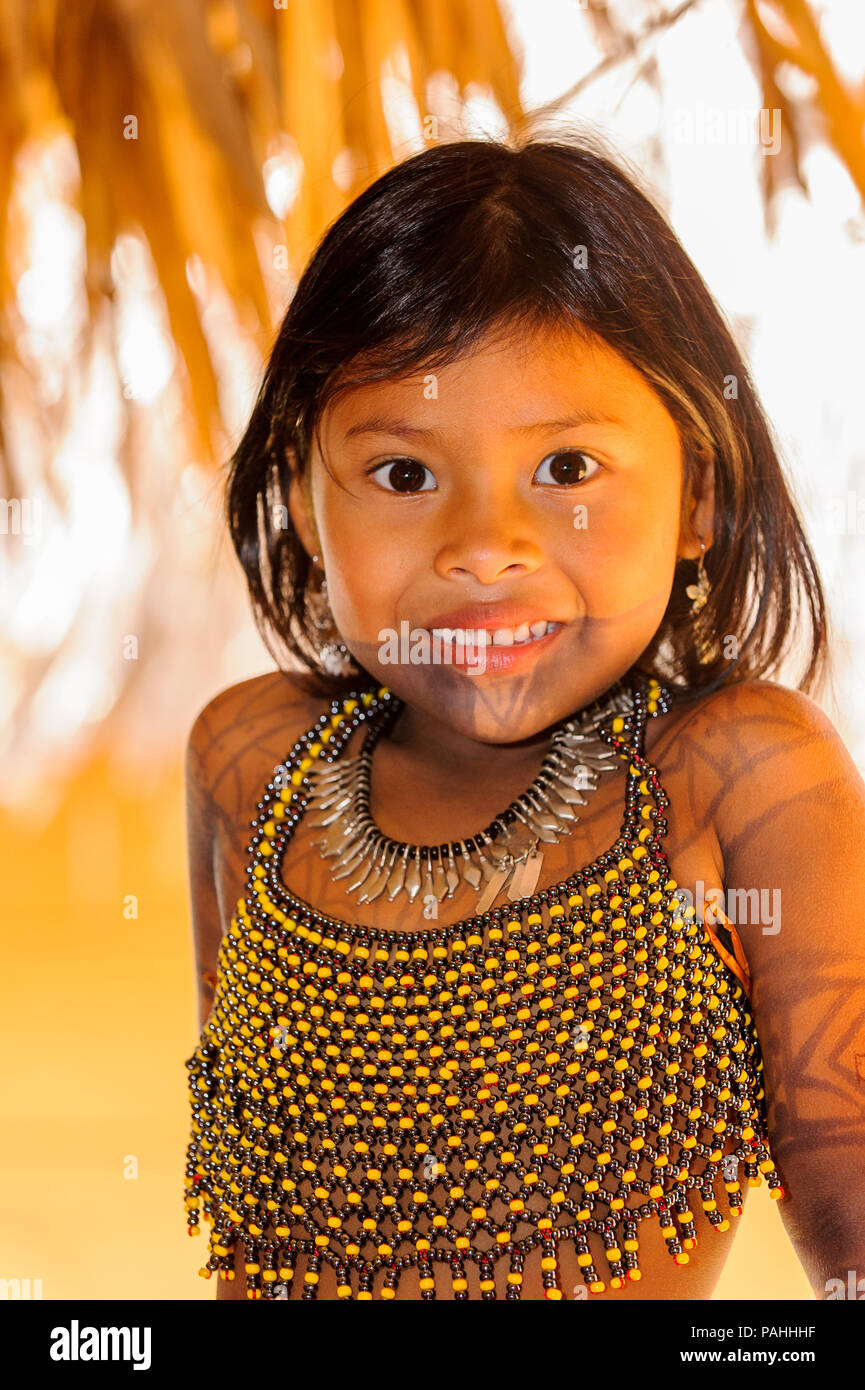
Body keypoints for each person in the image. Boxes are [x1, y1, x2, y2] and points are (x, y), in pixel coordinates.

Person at [182, 134, 865, 1300]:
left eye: (566, 468)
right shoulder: (251, 764)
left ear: (697, 491)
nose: (483, 549)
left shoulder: (735, 779)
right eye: (404, 476)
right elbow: (252, 1221)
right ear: (301, 495)